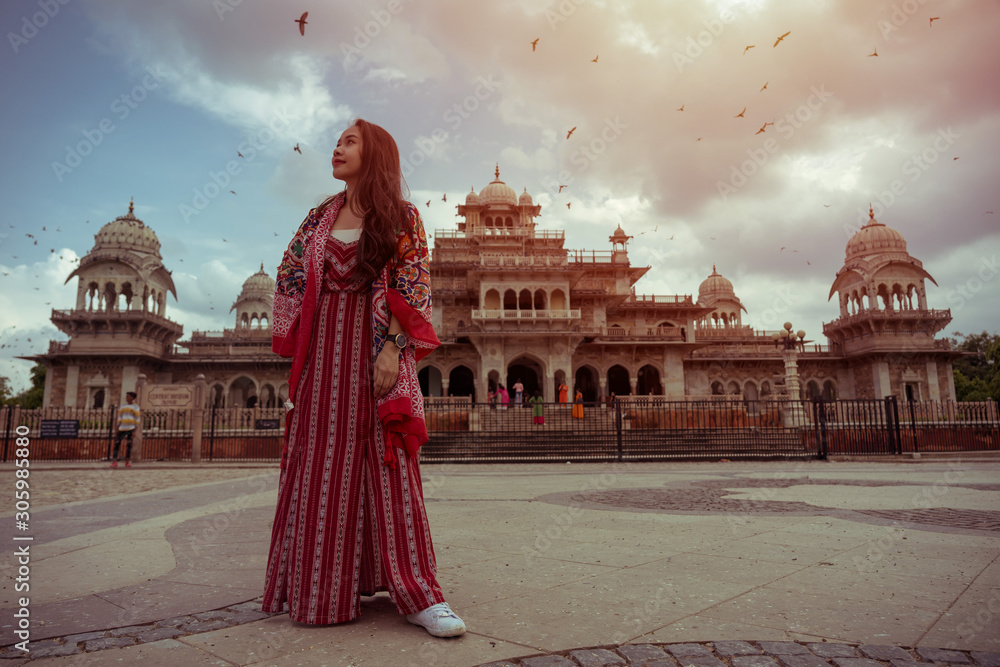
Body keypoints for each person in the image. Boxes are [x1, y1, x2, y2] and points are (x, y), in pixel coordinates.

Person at [262, 119, 465, 638]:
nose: (337, 147)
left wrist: (393, 350)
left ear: (374, 153)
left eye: (349, 141)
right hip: (322, 353)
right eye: (336, 141)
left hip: (374, 348)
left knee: (387, 461)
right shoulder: (318, 218)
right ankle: (323, 588)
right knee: (322, 465)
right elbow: (289, 275)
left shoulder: (400, 216)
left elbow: (411, 280)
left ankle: (419, 592)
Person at [111, 391, 139, 468]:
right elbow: (120, 417)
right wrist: (117, 428)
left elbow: (137, 419)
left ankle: (127, 461)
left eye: (128, 396)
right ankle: (114, 461)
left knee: (129, 445)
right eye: (126, 396)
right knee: (117, 444)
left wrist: (135, 431)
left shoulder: (135, 407)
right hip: (122, 428)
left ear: (132, 398)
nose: (127, 398)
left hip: (131, 428)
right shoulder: (122, 406)